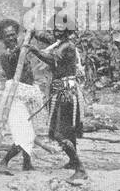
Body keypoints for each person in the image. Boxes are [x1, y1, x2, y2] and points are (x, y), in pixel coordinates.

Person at [29, 19, 86, 182]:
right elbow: (48, 38)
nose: (56, 32)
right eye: (55, 29)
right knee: (69, 132)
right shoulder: (61, 42)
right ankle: (72, 162)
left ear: (68, 32)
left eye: (60, 30)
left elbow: (51, 59)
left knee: (59, 134)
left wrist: (33, 49)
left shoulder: (67, 47)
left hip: (66, 94)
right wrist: (35, 33)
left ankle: (80, 168)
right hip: (63, 91)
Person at [0, 19, 44, 173]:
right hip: (15, 95)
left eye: (13, 35)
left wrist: (31, 34)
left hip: (27, 92)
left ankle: (27, 163)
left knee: (30, 129)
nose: (11, 38)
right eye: (7, 36)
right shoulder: (6, 55)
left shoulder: (19, 48)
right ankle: (3, 163)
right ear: (2, 38)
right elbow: (13, 58)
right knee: (24, 134)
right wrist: (25, 44)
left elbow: (22, 49)